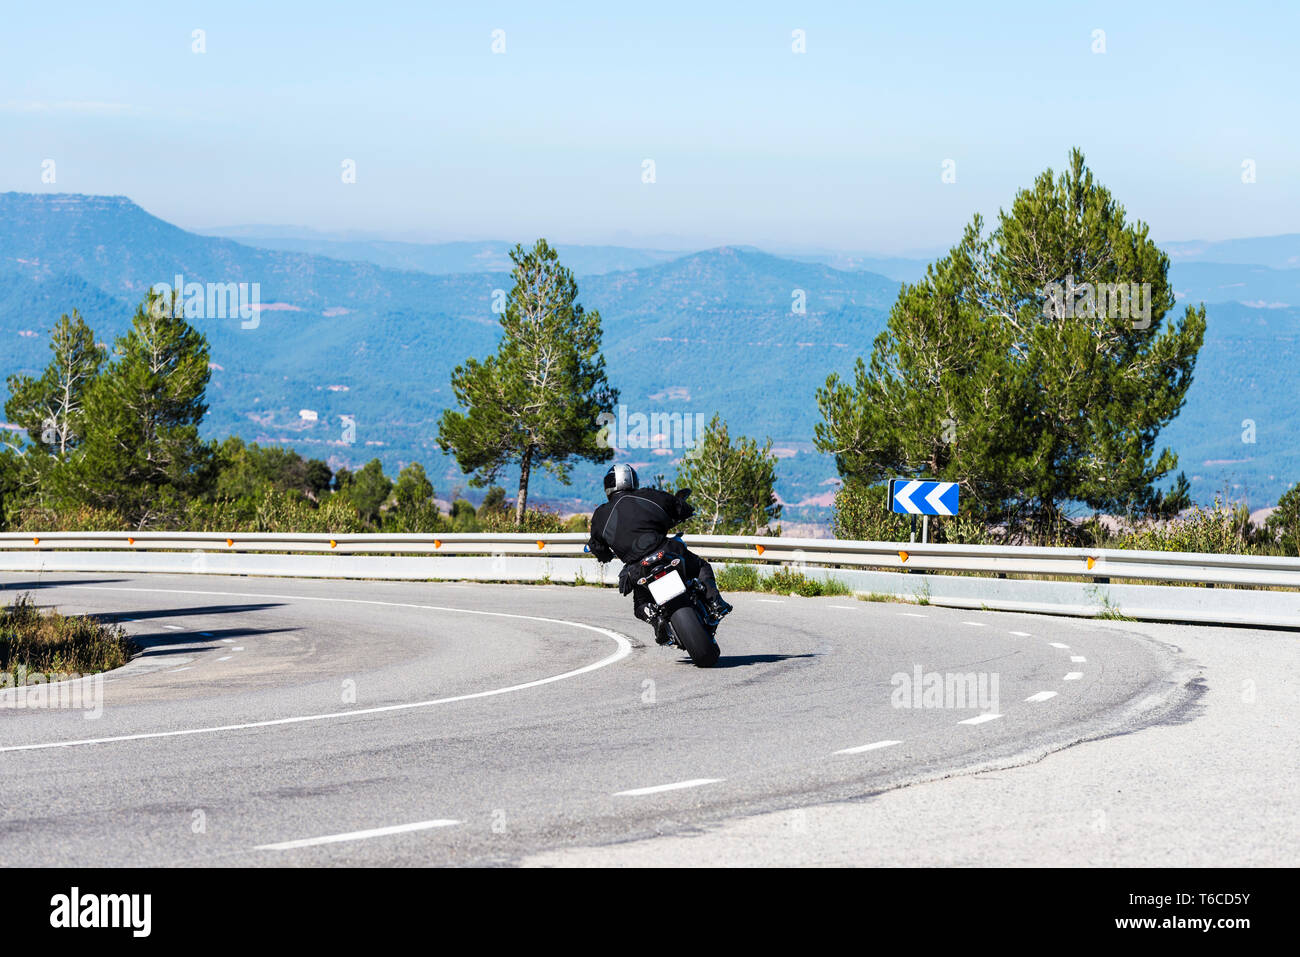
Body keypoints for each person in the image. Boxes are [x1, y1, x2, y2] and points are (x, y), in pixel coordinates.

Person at [586, 464, 733, 642]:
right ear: (633, 481)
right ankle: (715, 602)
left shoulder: (601, 515)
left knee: (640, 604)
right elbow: (678, 507)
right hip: (665, 551)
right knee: (702, 566)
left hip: (637, 567)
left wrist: (605, 556)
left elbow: (597, 546)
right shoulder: (648, 496)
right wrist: (683, 509)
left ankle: (656, 618)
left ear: (607, 486)